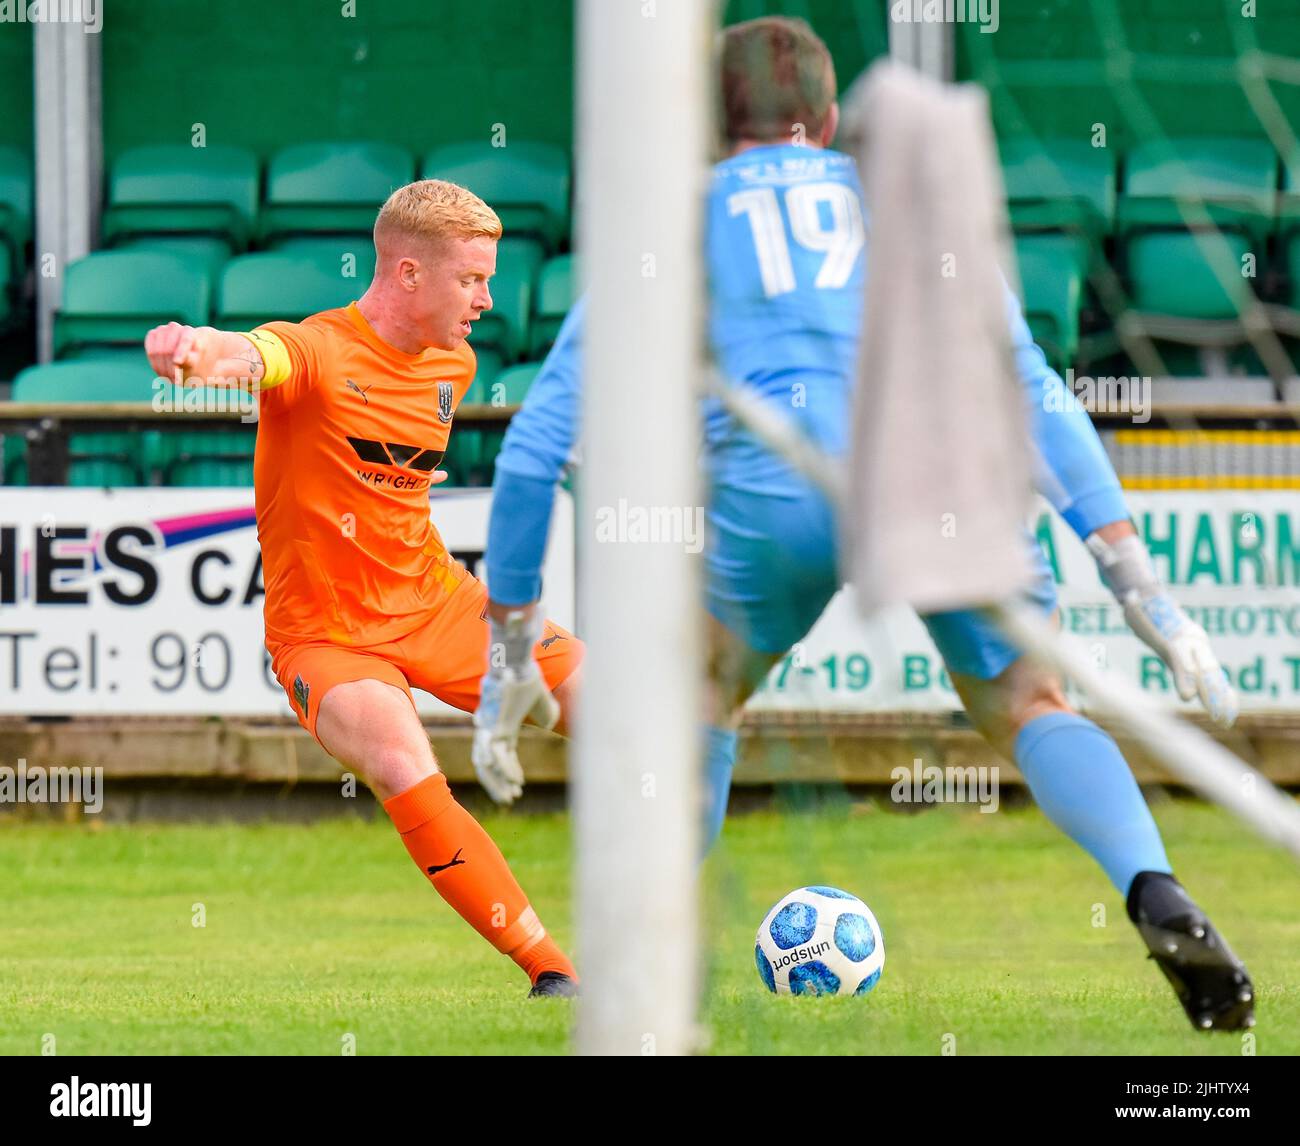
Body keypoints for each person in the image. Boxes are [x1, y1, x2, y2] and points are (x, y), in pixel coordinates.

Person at [471, 17, 1253, 1028]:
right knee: (1031, 702)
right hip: (934, 468)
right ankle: (1152, 887)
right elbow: (1029, 387)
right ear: (831, 119)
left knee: (700, 701)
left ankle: (633, 977)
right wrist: (1136, 581)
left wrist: (511, 648)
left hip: (776, 486)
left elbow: (534, 446)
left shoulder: (672, 218)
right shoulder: (905, 193)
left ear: (708, 123)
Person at [144, 179, 581, 998]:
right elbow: (253, 355)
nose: (488, 300)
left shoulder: (456, 363)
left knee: (627, 713)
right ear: (409, 272)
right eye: (472, 279)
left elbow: (391, 469)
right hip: (328, 636)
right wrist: (193, 352)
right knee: (398, 757)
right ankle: (552, 971)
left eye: (488, 280)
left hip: (440, 603)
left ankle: (675, 927)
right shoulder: (317, 351)